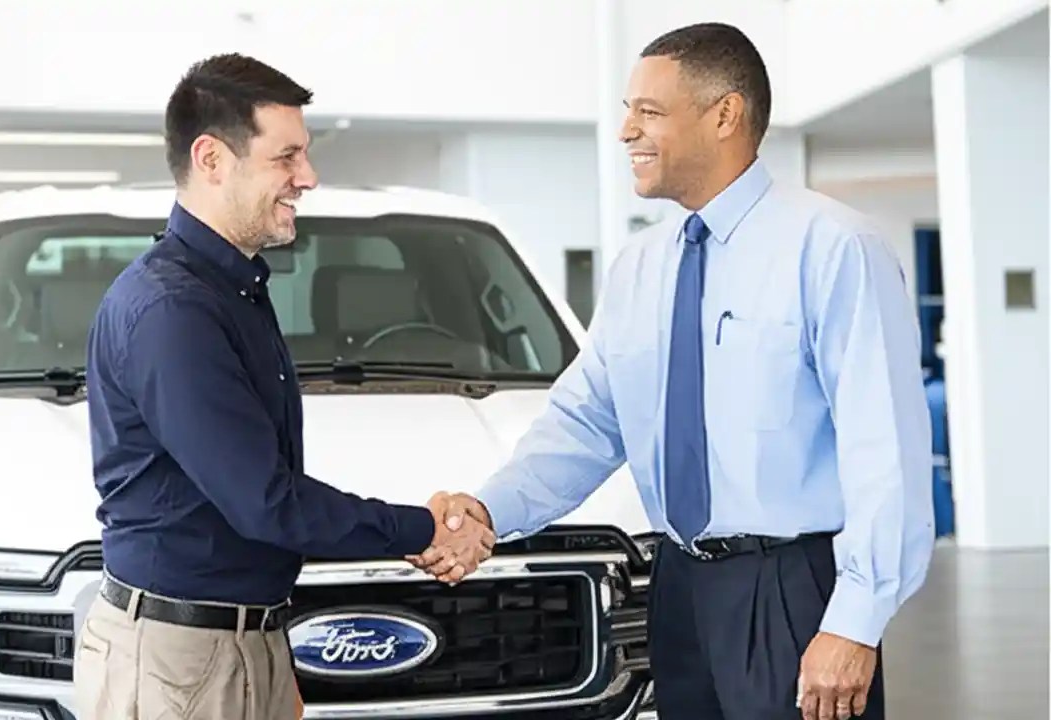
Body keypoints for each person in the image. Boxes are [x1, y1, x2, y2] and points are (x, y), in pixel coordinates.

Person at [412, 22, 934, 720]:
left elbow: (886, 449)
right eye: (629, 111)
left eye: (648, 112)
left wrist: (855, 620)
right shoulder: (641, 267)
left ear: (725, 114)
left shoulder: (834, 248)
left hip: (791, 589)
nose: (626, 130)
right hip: (679, 589)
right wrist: (489, 509)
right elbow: (589, 421)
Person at [75, 53, 494, 720]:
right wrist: (423, 526)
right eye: (287, 157)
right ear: (212, 159)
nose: (308, 176)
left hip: (239, 643)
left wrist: (265, 654)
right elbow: (265, 502)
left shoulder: (232, 289)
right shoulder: (172, 311)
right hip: (181, 664)